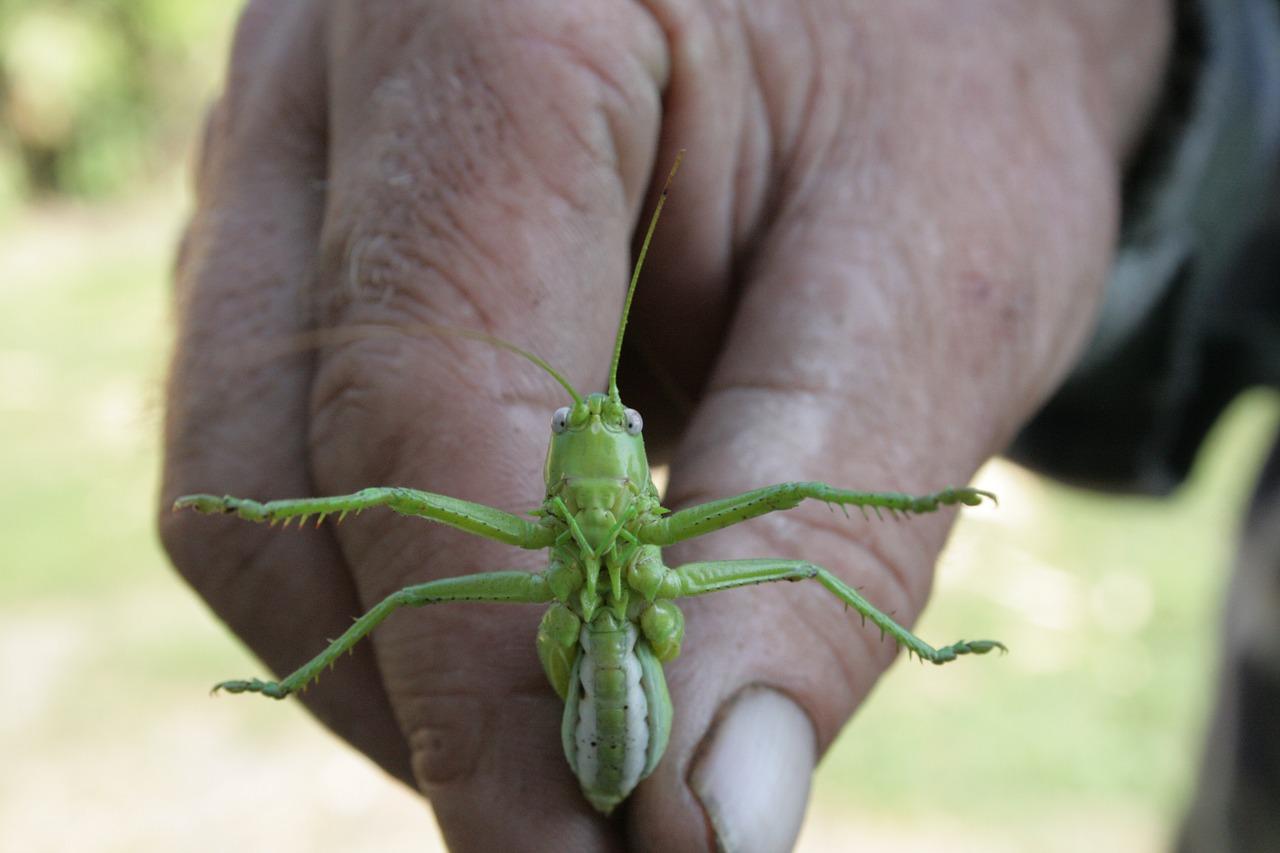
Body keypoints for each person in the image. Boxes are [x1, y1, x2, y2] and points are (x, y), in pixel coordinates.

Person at [158, 1, 1277, 850]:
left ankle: (923, 626)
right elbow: (407, 510)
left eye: (610, 427)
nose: (593, 435)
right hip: (600, 679)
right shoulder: (556, 528)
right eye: (575, 429)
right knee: (409, 568)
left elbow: (788, 508)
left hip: (630, 661)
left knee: (794, 528)